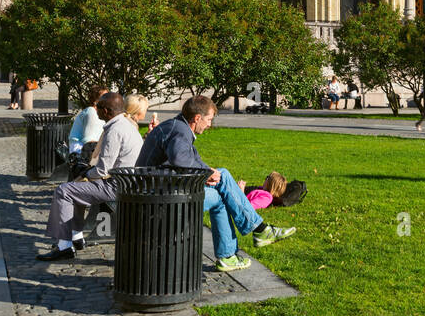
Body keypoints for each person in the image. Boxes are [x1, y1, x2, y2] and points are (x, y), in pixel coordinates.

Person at [137, 95, 295, 272]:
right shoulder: (180, 131)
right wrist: (207, 173)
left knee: (223, 184)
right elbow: (181, 160)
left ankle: (253, 235)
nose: (210, 125)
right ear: (197, 118)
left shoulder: (176, 126)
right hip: (159, 197)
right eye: (209, 120)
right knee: (223, 193)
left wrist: (209, 171)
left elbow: (191, 160)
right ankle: (248, 239)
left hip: (157, 189)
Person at [37, 92, 145, 261]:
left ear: (107, 111)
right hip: (129, 182)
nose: (96, 110)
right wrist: (85, 173)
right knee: (76, 187)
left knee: (63, 191)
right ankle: (76, 236)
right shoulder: (125, 124)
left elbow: (102, 171)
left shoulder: (115, 130)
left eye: (99, 107)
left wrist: (85, 171)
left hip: (117, 186)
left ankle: (64, 246)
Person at [67, 85, 108, 161]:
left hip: (90, 150)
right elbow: (89, 142)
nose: (107, 99)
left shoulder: (100, 113)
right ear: (95, 100)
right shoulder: (91, 112)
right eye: (104, 96)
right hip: (80, 153)